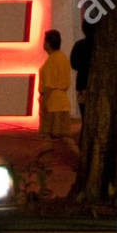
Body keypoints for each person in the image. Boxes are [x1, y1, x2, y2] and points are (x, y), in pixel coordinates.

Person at [37, 29, 74, 159]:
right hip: (63, 102)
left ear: (48, 43)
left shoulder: (50, 62)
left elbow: (47, 86)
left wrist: (43, 101)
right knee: (66, 136)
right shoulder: (63, 58)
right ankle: (80, 158)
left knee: (46, 136)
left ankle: (45, 163)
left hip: (51, 102)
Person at [69, 19, 94, 140]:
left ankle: (85, 139)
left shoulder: (79, 45)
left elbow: (73, 64)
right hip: (97, 86)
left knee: (85, 113)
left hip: (82, 84)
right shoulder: (101, 46)